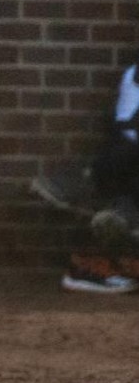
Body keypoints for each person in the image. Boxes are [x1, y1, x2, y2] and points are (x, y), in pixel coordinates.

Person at [30, 62, 139, 292]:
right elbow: (128, 134)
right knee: (115, 217)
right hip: (125, 170)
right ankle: (95, 267)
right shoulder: (135, 74)